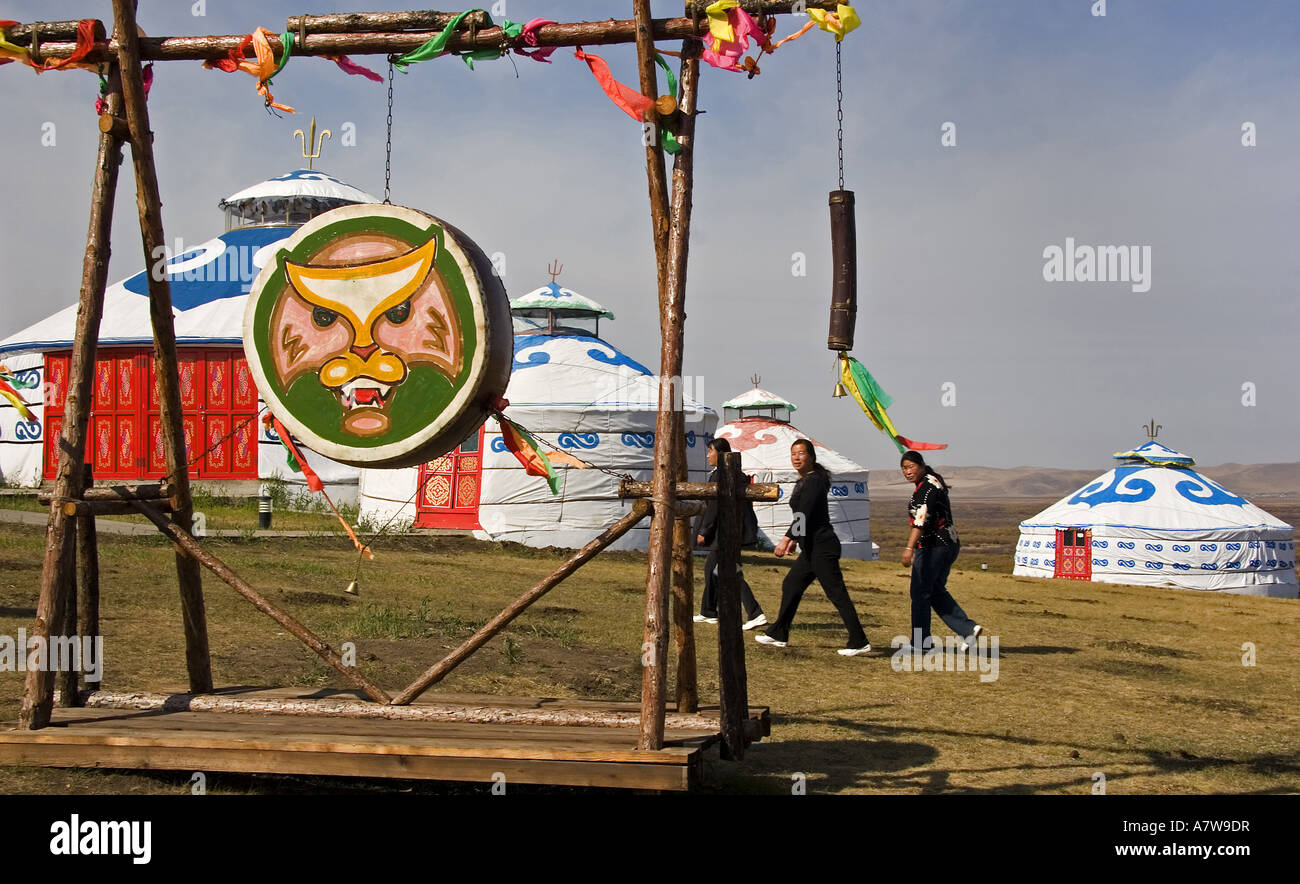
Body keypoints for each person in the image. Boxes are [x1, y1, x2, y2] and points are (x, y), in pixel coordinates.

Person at [757, 438, 872, 656]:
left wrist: (786, 539)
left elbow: (804, 513)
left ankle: (859, 640)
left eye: (801, 453)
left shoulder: (814, 481)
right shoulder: (807, 480)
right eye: (793, 454)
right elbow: (804, 516)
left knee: (837, 593)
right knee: (791, 585)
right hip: (811, 547)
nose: (796, 458)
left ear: (811, 457)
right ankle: (778, 633)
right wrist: (796, 539)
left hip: (823, 547)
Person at [900, 450, 982, 650]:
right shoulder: (933, 481)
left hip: (933, 545)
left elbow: (920, 521)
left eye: (911, 467)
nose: (907, 472)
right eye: (904, 468)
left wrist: (909, 548)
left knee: (920, 592)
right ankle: (968, 629)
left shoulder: (926, 488)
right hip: (948, 544)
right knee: (934, 590)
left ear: (920, 465)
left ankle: (921, 642)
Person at [693, 438, 767, 630]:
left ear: (721, 453)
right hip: (730, 531)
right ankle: (708, 611)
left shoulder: (721, 476)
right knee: (713, 569)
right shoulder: (734, 474)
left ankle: (755, 613)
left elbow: (714, 506)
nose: (708, 455)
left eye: (710, 451)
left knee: (731, 572)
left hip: (723, 532)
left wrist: (704, 530)